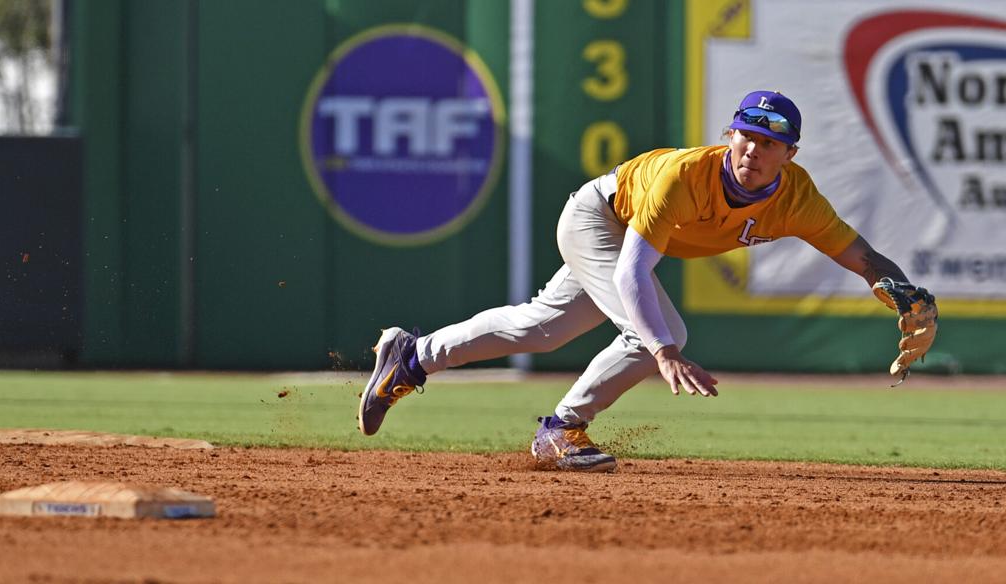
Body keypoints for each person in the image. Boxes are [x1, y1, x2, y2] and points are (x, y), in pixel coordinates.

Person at [357, 90, 938, 472]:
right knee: (653, 332)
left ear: (789, 153)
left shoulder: (798, 199)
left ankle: (412, 355)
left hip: (620, 236)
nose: (754, 150)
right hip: (599, 216)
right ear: (729, 135)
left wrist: (907, 296)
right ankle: (561, 430)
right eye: (746, 136)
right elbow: (633, 269)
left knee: (543, 328)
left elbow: (862, 257)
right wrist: (662, 351)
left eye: (769, 142)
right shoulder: (683, 176)